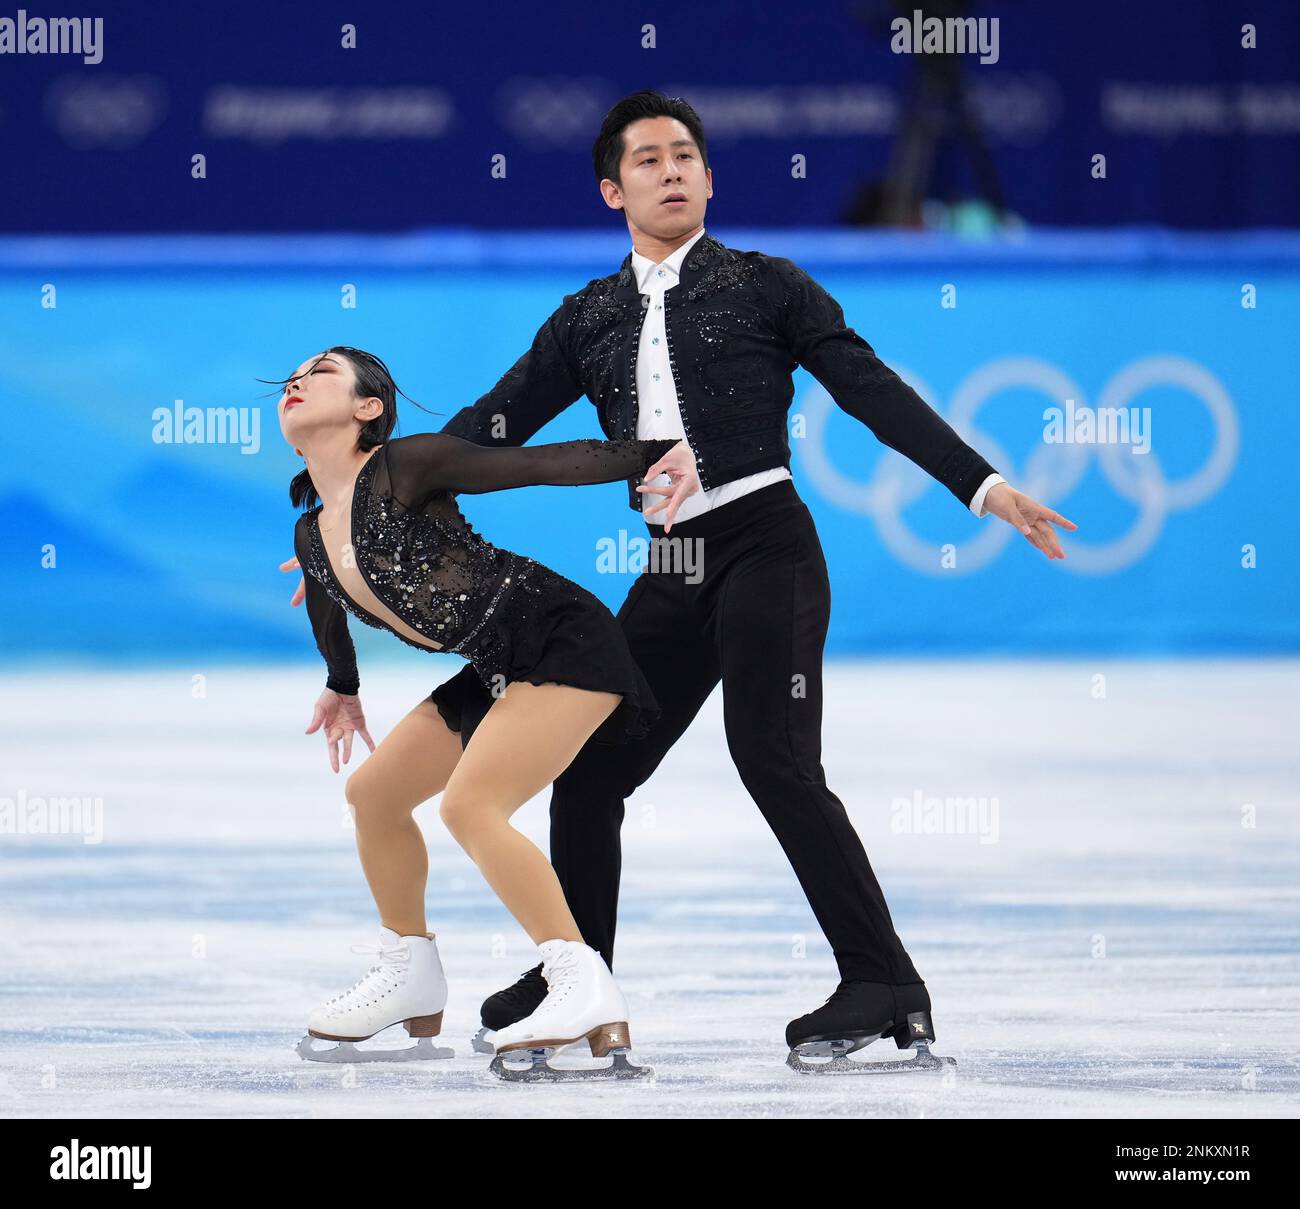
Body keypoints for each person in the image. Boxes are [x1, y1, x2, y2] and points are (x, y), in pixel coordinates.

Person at [284, 91, 1077, 1071]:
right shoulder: (588, 316)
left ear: (708, 177)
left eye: (686, 156)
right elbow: (487, 430)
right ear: (613, 189)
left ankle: (883, 985)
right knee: (592, 772)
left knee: (773, 759)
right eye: (649, 160)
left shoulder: (767, 285)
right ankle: (580, 977)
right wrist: (354, 517)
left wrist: (981, 485)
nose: (671, 171)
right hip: (672, 568)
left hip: (763, 546)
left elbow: (868, 391)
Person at [276, 344, 696, 1076]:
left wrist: (661, 451)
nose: (297, 380)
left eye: (320, 372)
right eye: (292, 376)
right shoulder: (312, 534)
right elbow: (324, 602)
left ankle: (580, 979)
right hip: (497, 663)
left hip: (562, 636)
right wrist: (342, 684)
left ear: (368, 407)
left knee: (472, 806)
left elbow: (536, 464)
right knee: (374, 794)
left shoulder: (406, 466)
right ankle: (411, 972)